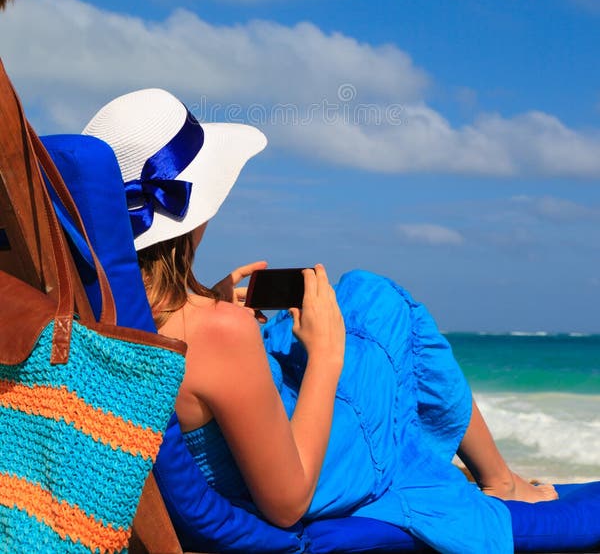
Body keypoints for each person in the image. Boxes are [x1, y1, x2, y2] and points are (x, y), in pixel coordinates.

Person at [83, 88, 557, 554]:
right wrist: (326, 357)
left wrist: (207, 301)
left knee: (347, 298)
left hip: (250, 439)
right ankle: (499, 480)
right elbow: (288, 503)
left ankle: (492, 473)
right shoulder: (218, 332)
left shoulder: (98, 317)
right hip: (323, 469)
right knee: (379, 299)